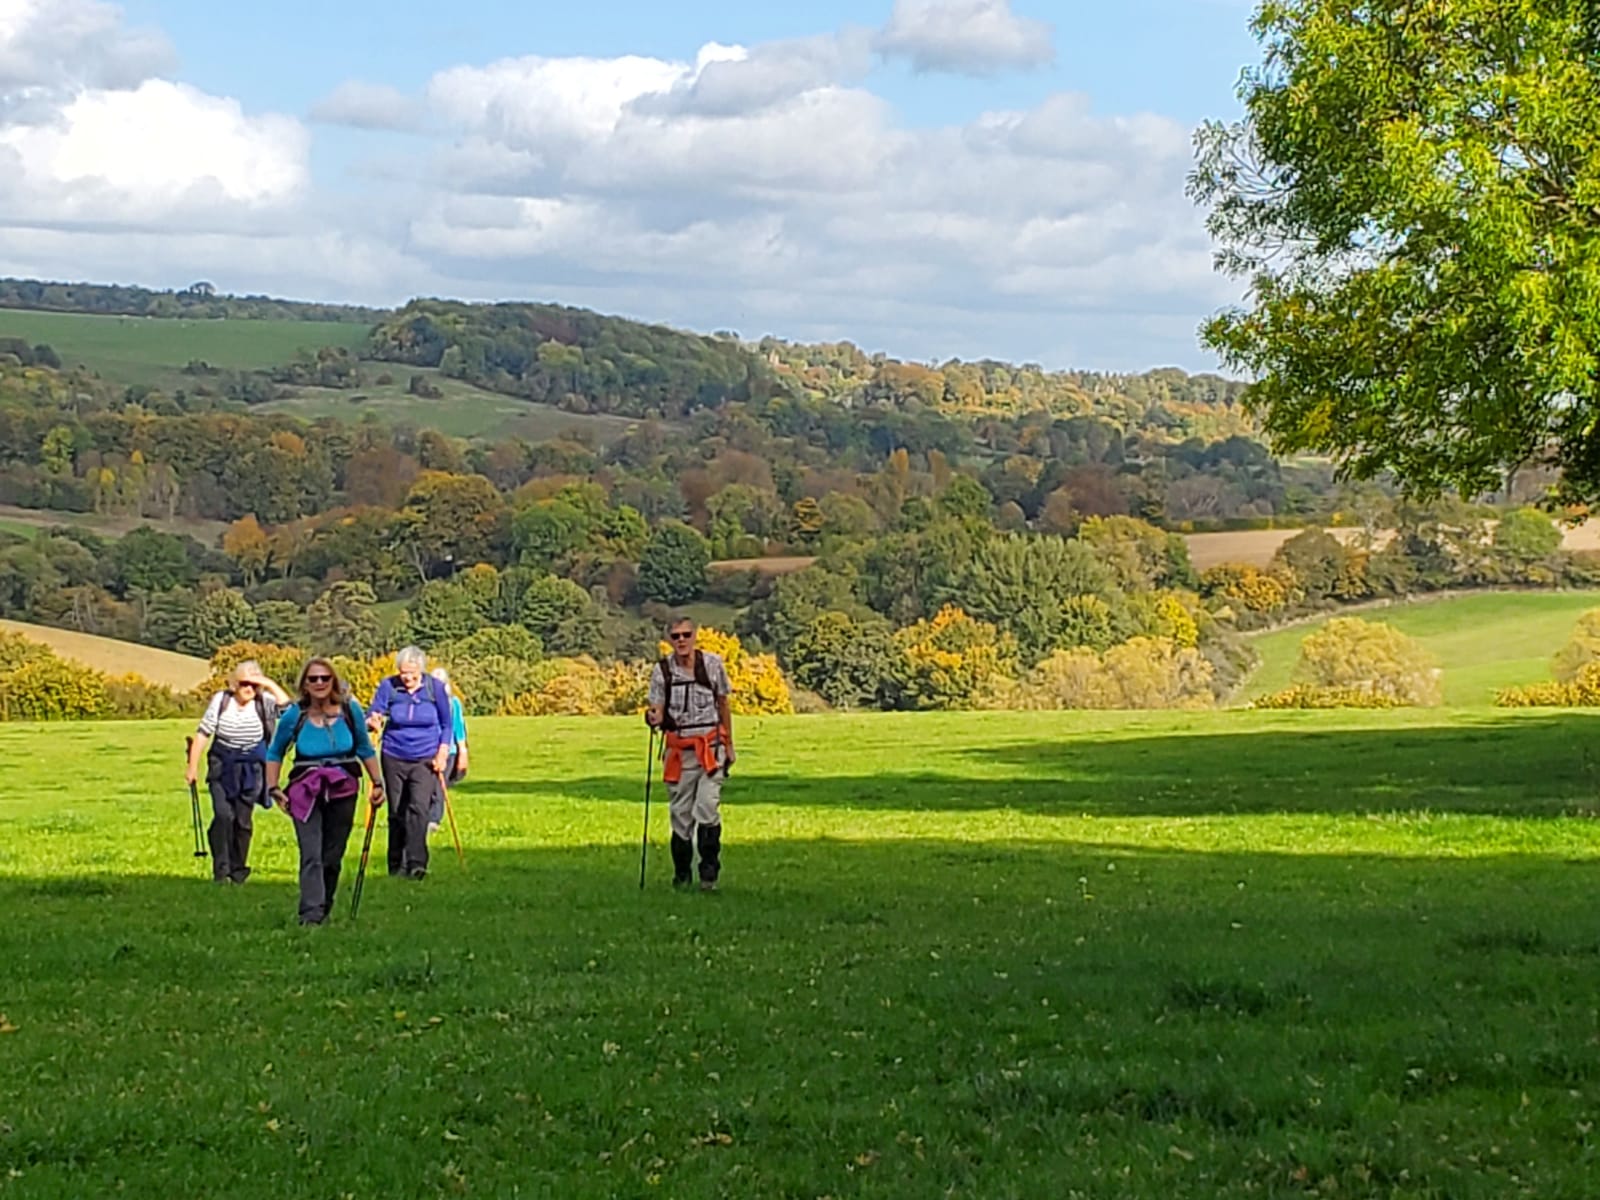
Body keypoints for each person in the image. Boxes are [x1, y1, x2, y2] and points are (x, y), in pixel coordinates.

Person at [264, 658, 384, 926]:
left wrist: (378, 783)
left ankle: (324, 907)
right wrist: (273, 788)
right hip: (304, 790)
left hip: (343, 788)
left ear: (334, 681)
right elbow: (275, 752)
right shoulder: (295, 715)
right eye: (313, 679)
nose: (319, 683)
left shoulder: (350, 711)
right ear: (304, 684)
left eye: (325, 678)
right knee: (311, 854)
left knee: (332, 856)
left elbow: (364, 748)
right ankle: (311, 915)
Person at [645, 615, 735, 891]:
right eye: (676, 636)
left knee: (707, 807)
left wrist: (729, 744)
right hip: (679, 751)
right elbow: (657, 709)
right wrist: (653, 717)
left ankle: (709, 876)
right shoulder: (662, 671)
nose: (681, 640)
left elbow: (723, 704)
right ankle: (682, 876)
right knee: (681, 815)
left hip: (711, 749)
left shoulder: (713, 665)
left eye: (686, 634)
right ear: (669, 640)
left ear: (695, 636)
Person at [184, 660, 289, 885]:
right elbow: (203, 733)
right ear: (234, 684)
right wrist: (192, 767)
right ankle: (221, 870)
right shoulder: (221, 700)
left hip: (252, 769)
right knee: (223, 816)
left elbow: (288, 709)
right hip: (222, 766)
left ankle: (238, 870)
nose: (249, 688)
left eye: (254, 684)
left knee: (243, 821)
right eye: (244, 683)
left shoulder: (264, 701)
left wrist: (268, 683)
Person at [366, 646, 451, 880]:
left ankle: (416, 863)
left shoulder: (435, 688)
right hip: (393, 754)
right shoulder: (389, 686)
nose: (408, 678)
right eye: (403, 673)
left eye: (412, 673)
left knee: (418, 808)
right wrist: (372, 719)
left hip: (425, 757)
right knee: (396, 811)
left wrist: (443, 752)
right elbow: (374, 711)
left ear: (421, 670)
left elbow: (447, 724)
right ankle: (395, 864)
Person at [426, 667, 470, 837]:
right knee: (425, 786)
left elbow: (458, 727)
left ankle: (434, 820)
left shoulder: (453, 703)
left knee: (439, 787)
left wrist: (462, 750)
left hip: (448, 750)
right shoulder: (425, 703)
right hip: (427, 750)